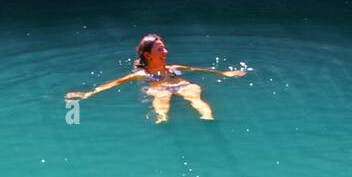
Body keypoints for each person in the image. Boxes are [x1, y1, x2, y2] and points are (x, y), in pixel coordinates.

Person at [65, 34, 248, 123]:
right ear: (147, 55)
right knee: (161, 96)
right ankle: (162, 117)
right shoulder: (141, 74)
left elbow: (200, 69)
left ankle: (207, 116)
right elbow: (113, 84)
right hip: (158, 86)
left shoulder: (174, 68)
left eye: (164, 47)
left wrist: (224, 73)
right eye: (160, 49)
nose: (165, 51)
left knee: (193, 92)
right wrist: (89, 93)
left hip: (179, 83)